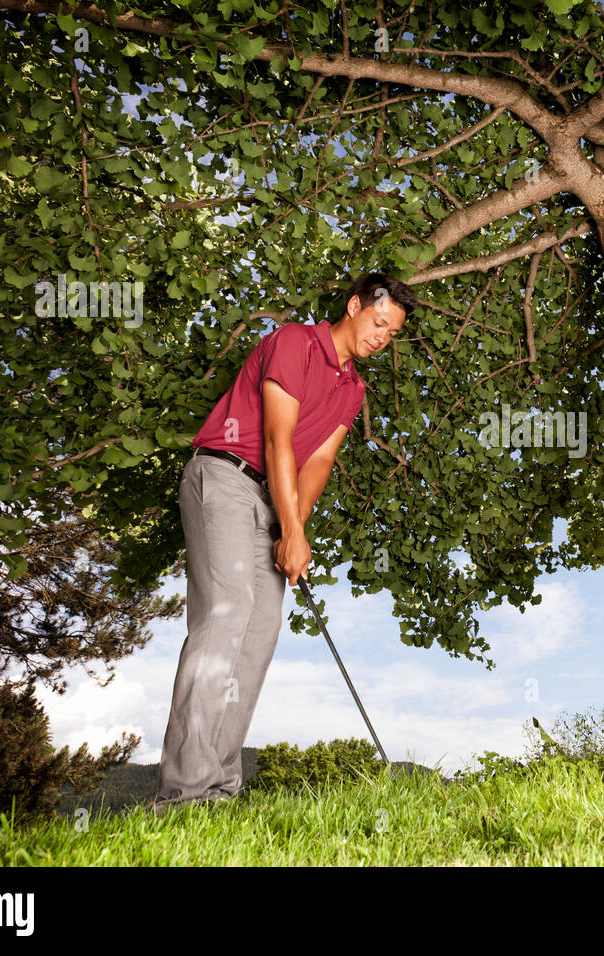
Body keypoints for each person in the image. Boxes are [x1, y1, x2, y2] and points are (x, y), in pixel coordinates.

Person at [153, 273, 416, 814]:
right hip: (224, 477)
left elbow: (316, 461)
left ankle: (219, 792)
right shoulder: (295, 341)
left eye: (391, 334)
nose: (381, 338)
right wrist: (292, 531)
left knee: (259, 634)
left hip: (273, 502)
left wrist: (290, 528)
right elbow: (278, 439)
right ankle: (182, 794)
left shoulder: (353, 389)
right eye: (378, 323)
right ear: (354, 306)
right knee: (226, 618)